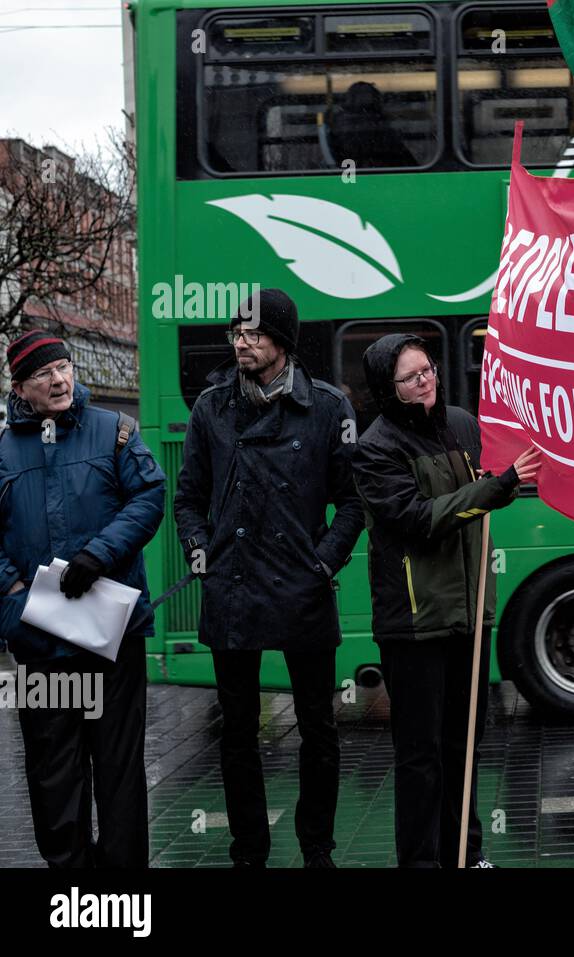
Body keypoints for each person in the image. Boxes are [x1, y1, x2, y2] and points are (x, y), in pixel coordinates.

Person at [173, 289, 366, 868]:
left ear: (282, 342)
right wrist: (199, 549)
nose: (241, 342)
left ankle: (317, 848)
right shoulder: (211, 408)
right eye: (236, 333)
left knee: (319, 728)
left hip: (302, 587)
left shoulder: (330, 408)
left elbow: (352, 504)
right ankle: (248, 849)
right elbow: (187, 499)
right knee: (238, 733)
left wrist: (324, 562)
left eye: (254, 334)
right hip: (232, 588)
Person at [352, 335, 541, 868]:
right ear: (388, 390)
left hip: (469, 614)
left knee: (464, 748)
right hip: (415, 623)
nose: (426, 380)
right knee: (421, 756)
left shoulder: (461, 424)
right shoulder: (375, 448)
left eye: (428, 369)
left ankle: (467, 854)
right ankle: (421, 862)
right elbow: (419, 521)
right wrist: (494, 489)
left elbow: (498, 467)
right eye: (411, 377)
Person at [0, 329, 166, 867]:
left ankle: (121, 888)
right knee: (54, 771)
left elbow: (149, 495)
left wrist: (98, 555)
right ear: (20, 387)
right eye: (44, 373)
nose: (59, 378)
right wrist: (14, 594)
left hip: (111, 635)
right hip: (39, 640)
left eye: (64, 366)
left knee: (118, 768)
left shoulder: (113, 432)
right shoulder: (2, 451)